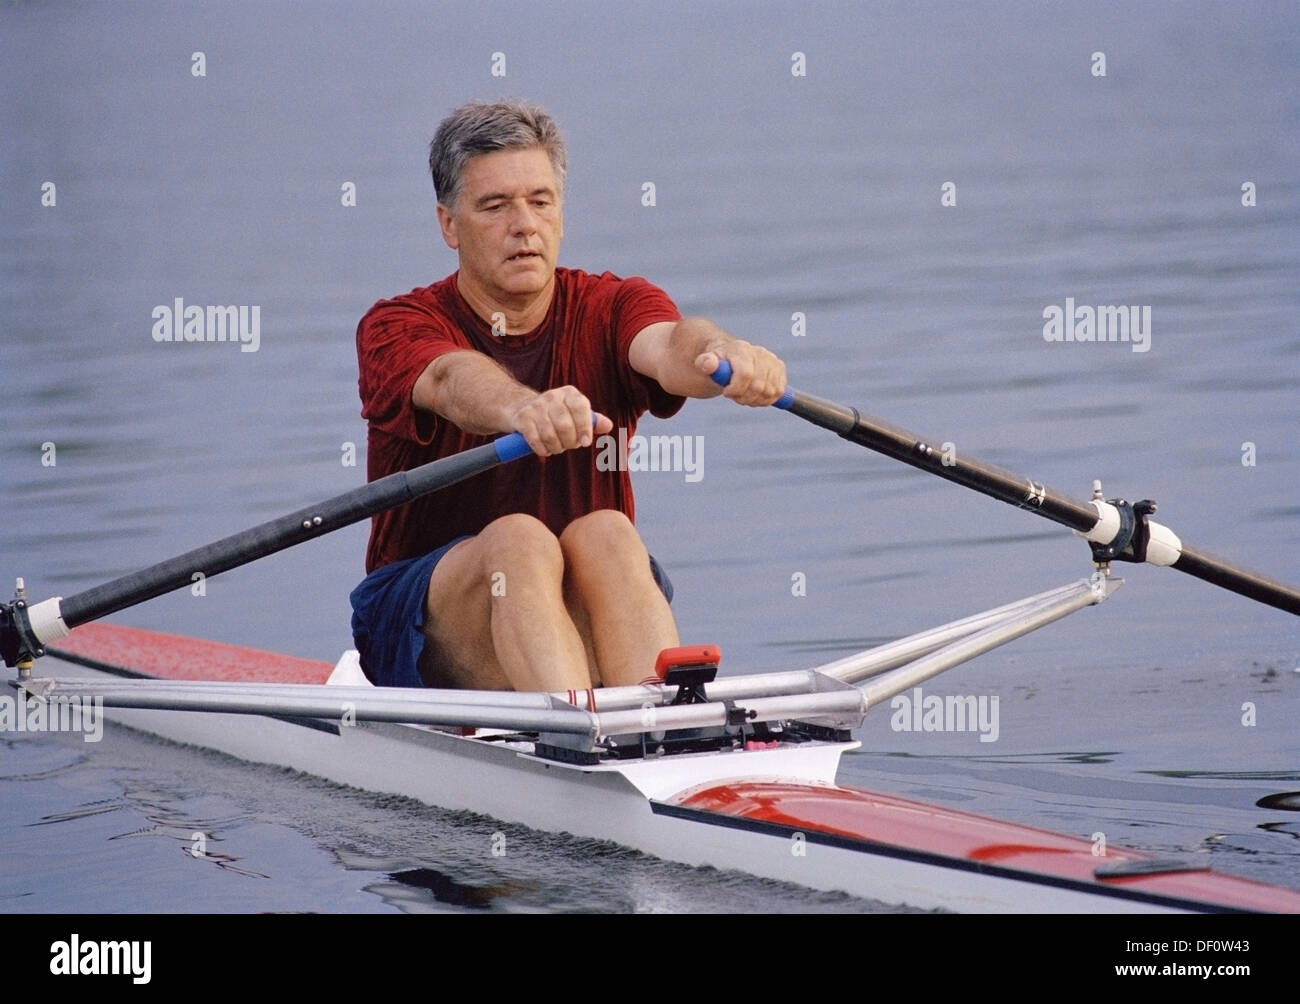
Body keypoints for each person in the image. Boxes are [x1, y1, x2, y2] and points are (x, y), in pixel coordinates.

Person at [350, 100, 786, 693]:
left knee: (605, 530)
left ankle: (663, 724)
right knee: (519, 537)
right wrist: (520, 409)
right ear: (449, 225)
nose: (523, 224)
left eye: (540, 201)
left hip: (574, 607)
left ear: (560, 214)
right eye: (494, 205)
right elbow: (449, 380)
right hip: (421, 630)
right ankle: (579, 735)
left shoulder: (613, 306)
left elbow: (669, 347)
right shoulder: (395, 325)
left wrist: (724, 354)